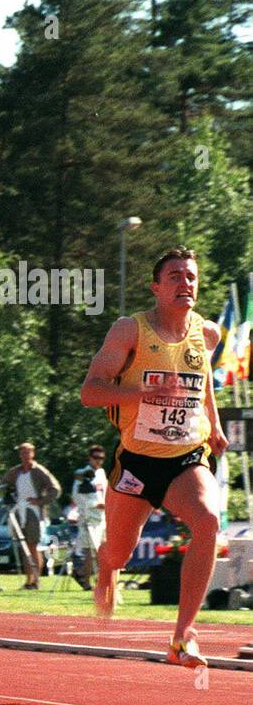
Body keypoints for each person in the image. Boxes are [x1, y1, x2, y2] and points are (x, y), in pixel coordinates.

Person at [79, 247, 228, 668]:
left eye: (191, 277)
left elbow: (203, 385)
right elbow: (90, 392)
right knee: (120, 554)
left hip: (186, 457)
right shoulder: (130, 331)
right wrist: (141, 394)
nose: (186, 283)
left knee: (209, 520)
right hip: (138, 462)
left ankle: (183, 636)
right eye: (176, 276)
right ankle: (107, 565)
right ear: (156, 287)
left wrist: (213, 425)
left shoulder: (208, 334)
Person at [0, 443, 62, 589]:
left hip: (34, 511)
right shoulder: (15, 471)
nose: (25, 455)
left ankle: (36, 580)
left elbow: (55, 488)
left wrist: (41, 501)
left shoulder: (39, 471)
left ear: (32, 453)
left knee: (33, 546)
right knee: (24, 546)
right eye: (22, 453)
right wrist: (9, 494)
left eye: (27, 452)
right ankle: (28, 580)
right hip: (19, 510)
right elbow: (3, 485)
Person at [69, 444, 108, 589]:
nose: (98, 461)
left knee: (99, 550)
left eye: (101, 458)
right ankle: (88, 581)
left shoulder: (102, 473)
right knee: (91, 550)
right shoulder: (82, 473)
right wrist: (95, 504)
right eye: (96, 458)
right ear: (90, 458)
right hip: (88, 517)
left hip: (102, 517)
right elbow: (76, 495)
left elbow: (105, 492)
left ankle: (83, 576)